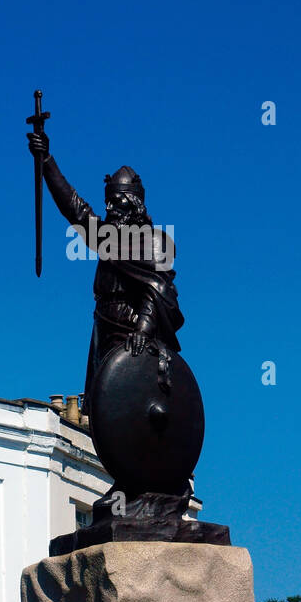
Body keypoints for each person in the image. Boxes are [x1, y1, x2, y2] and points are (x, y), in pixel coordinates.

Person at [26, 127, 183, 415]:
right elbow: (75, 209)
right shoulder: (108, 238)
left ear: (134, 205)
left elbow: (157, 291)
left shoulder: (155, 242)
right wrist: (46, 161)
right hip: (103, 329)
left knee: (131, 406)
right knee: (104, 409)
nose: (110, 209)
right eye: (108, 203)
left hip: (132, 333)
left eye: (117, 203)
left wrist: (144, 329)